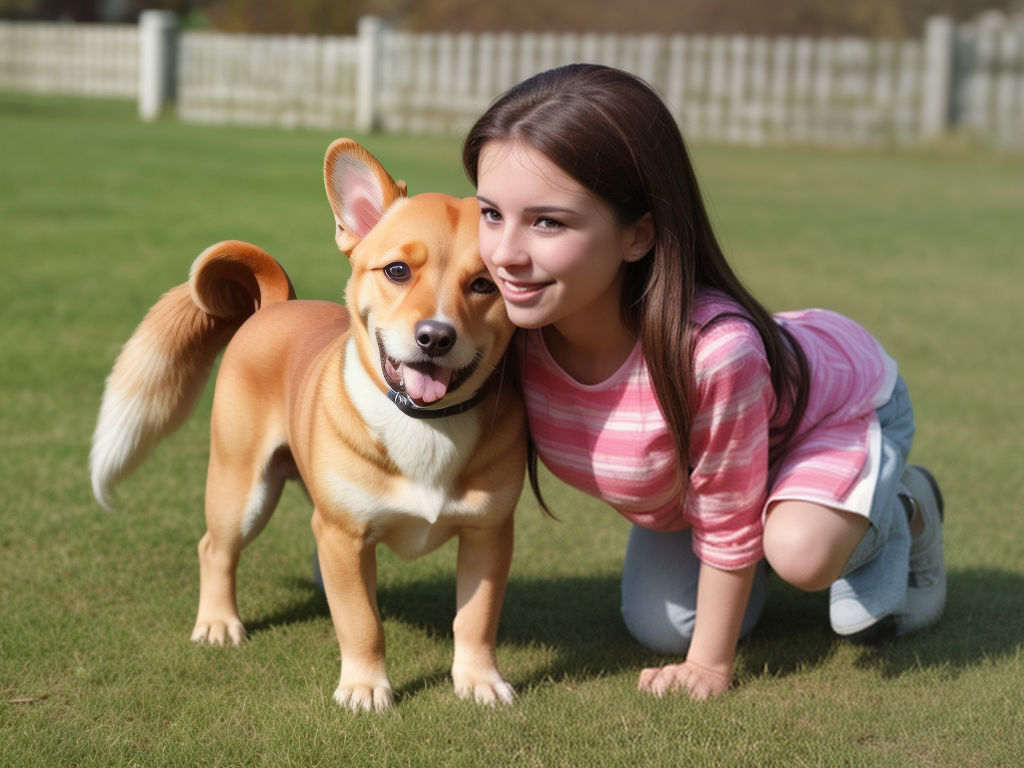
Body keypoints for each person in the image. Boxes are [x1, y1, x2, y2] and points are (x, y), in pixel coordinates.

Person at [462, 64, 946, 700]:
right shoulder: (508, 326)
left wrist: (709, 666)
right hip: (717, 467)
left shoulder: (712, 356)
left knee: (800, 552)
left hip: (836, 409)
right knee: (663, 626)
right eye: (492, 213)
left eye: (548, 222)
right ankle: (783, 522)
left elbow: (723, 508)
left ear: (638, 235)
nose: (504, 253)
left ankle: (905, 510)